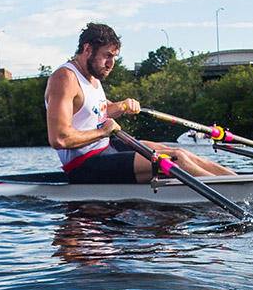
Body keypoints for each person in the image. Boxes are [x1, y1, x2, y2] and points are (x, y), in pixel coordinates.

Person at [45, 22, 234, 184]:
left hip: (108, 148)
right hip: (83, 165)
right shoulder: (64, 78)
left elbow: (94, 111)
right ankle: (233, 192)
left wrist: (122, 105)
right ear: (87, 49)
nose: (111, 64)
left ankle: (238, 181)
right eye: (107, 56)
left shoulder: (92, 76)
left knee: (181, 152)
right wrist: (103, 132)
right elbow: (59, 138)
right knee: (174, 160)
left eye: (114, 57)